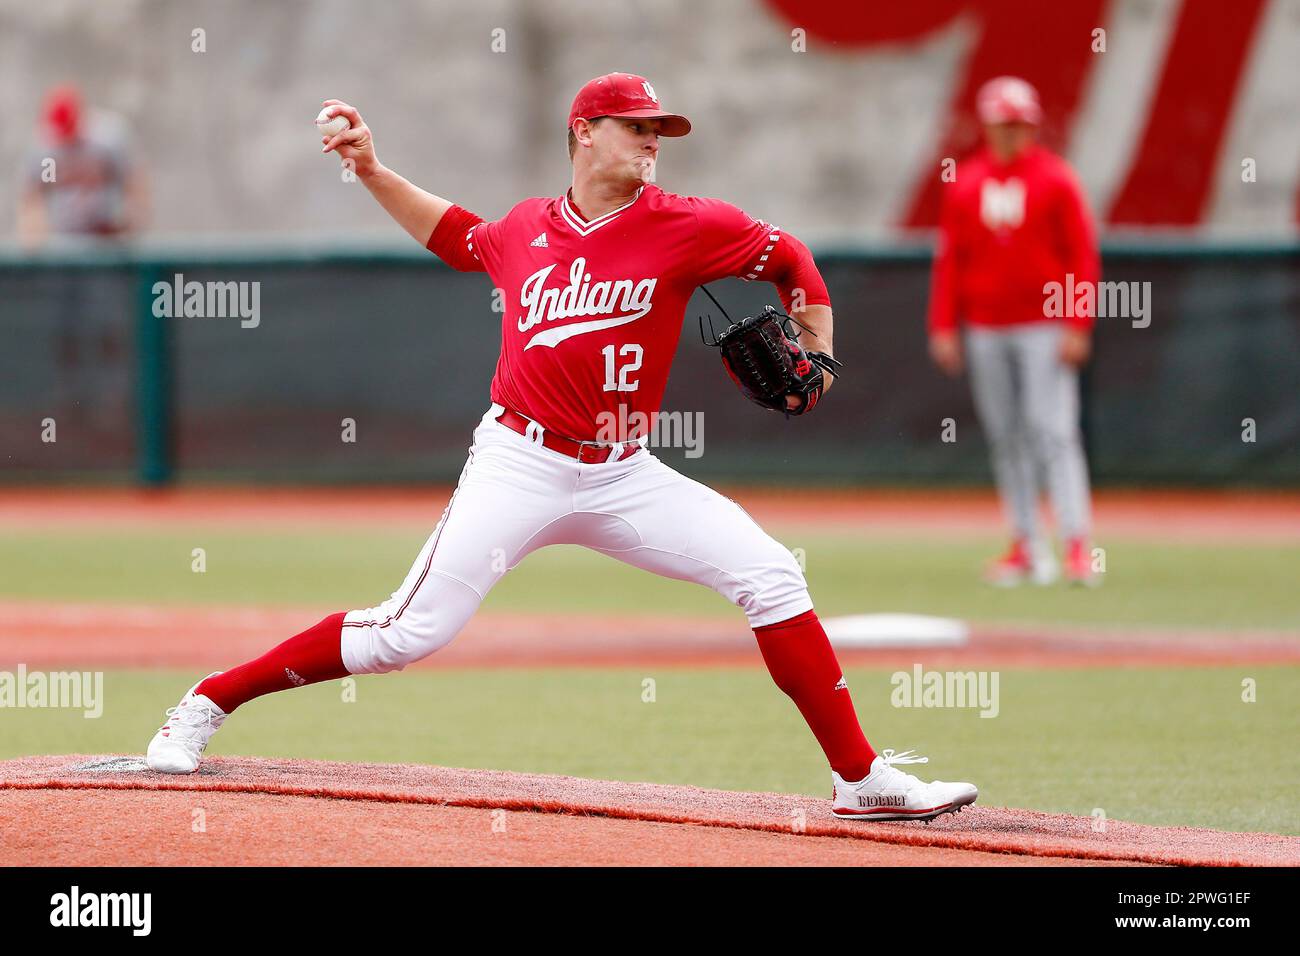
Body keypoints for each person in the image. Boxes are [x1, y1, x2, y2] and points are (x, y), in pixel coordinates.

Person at [146, 73, 976, 822]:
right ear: (584, 131)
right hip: (520, 462)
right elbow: (456, 236)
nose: (653, 141)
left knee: (770, 573)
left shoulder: (688, 226)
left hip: (623, 473)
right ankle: (209, 700)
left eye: (660, 130)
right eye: (636, 126)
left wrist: (817, 350)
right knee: (404, 636)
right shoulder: (523, 231)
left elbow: (792, 260)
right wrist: (368, 168)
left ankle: (859, 778)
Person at [927, 76, 1101, 587]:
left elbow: (1081, 256)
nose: (1013, 134)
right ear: (988, 126)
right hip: (985, 326)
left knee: (1053, 430)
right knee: (1008, 436)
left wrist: (1077, 321)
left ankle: (1075, 543)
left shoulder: (1056, 178)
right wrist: (943, 325)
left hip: (1043, 324)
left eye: (1021, 124)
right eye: (1005, 125)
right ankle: (1027, 543)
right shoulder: (968, 183)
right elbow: (950, 261)